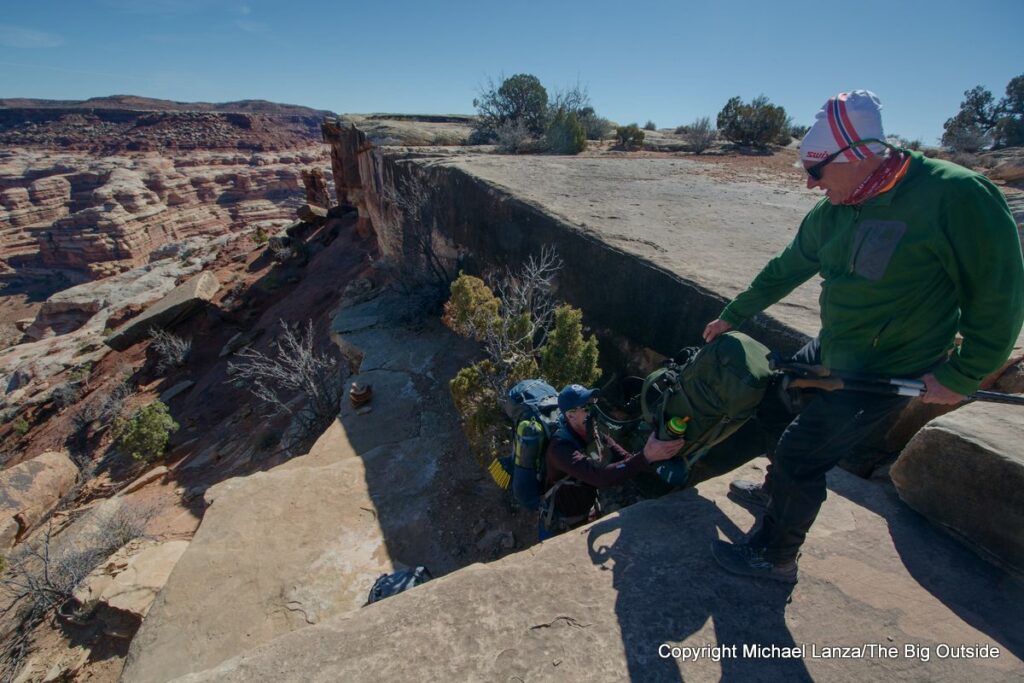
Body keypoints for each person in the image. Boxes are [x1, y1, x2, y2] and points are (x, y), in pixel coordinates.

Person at [704, 90, 1024, 583]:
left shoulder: (955, 195)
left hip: (889, 367)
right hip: (837, 348)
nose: (811, 185)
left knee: (801, 454)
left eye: (817, 171)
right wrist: (734, 314)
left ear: (857, 155)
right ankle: (775, 492)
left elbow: (998, 295)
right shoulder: (835, 208)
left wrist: (963, 372)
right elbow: (788, 266)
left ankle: (775, 554)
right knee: (771, 400)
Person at [539, 384, 684, 539]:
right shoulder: (560, 449)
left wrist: (657, 453)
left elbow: (625, 458)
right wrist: (646, 456)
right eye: (586, 406)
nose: (592, 408)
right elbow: (598, 477)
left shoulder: (594, 432)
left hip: (586, 510)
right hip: (559, 521)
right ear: (571, 415)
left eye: (592, 402)